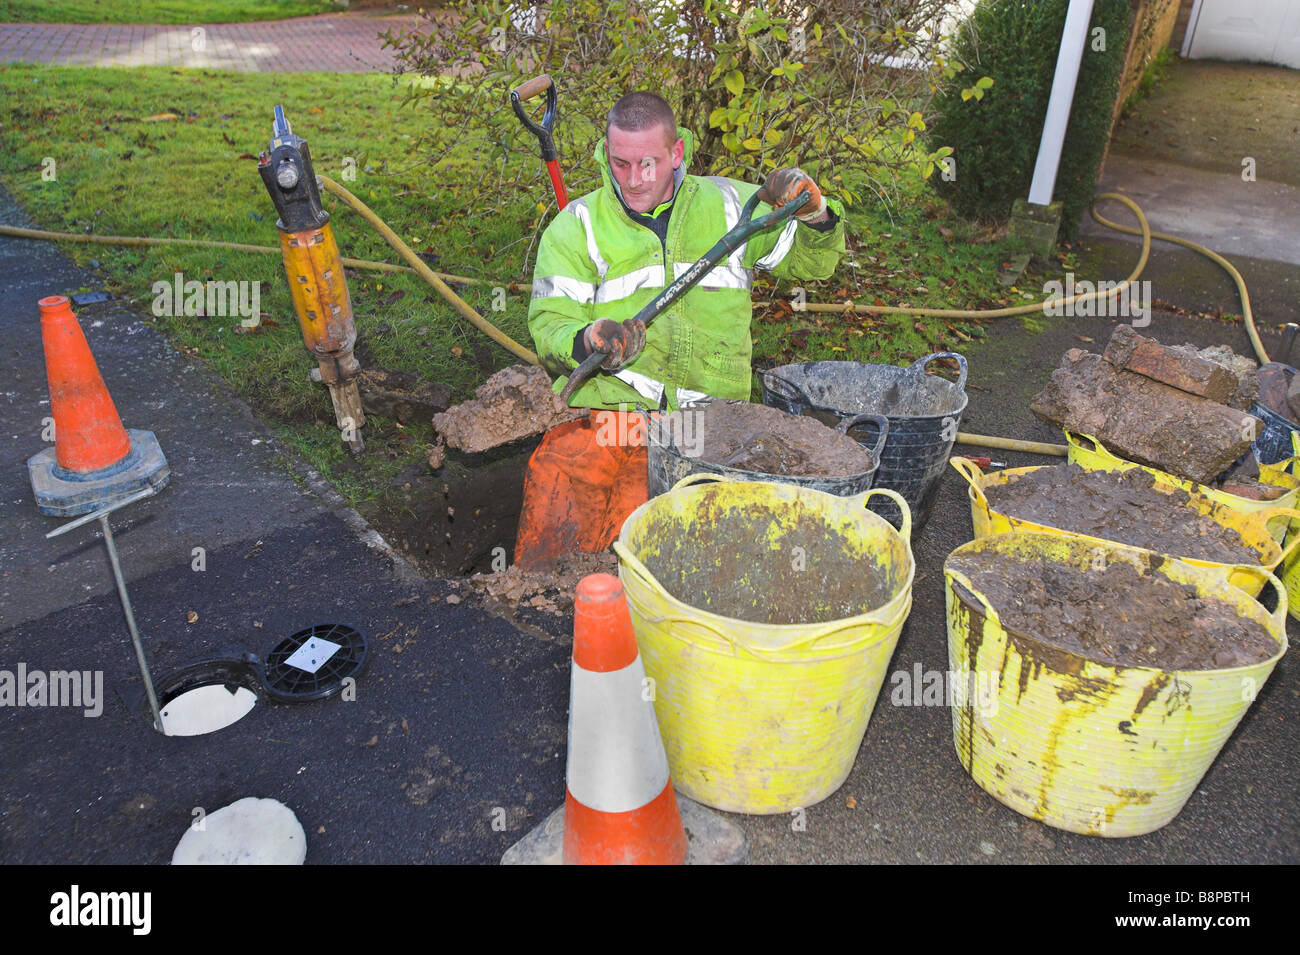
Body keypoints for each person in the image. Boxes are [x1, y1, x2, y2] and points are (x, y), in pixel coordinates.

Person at [514, 90, 847, 570]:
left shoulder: (733, 207)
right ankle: (540, 608)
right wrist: (590, 339)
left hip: (711, 427)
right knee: (556, 497)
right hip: (614, 419)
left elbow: (814, 264)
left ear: (677, 154)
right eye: (619, 163)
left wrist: (816, 213)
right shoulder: (576, 226)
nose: (632, 180)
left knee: (653, 547)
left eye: (646, 164)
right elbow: (550, 322)